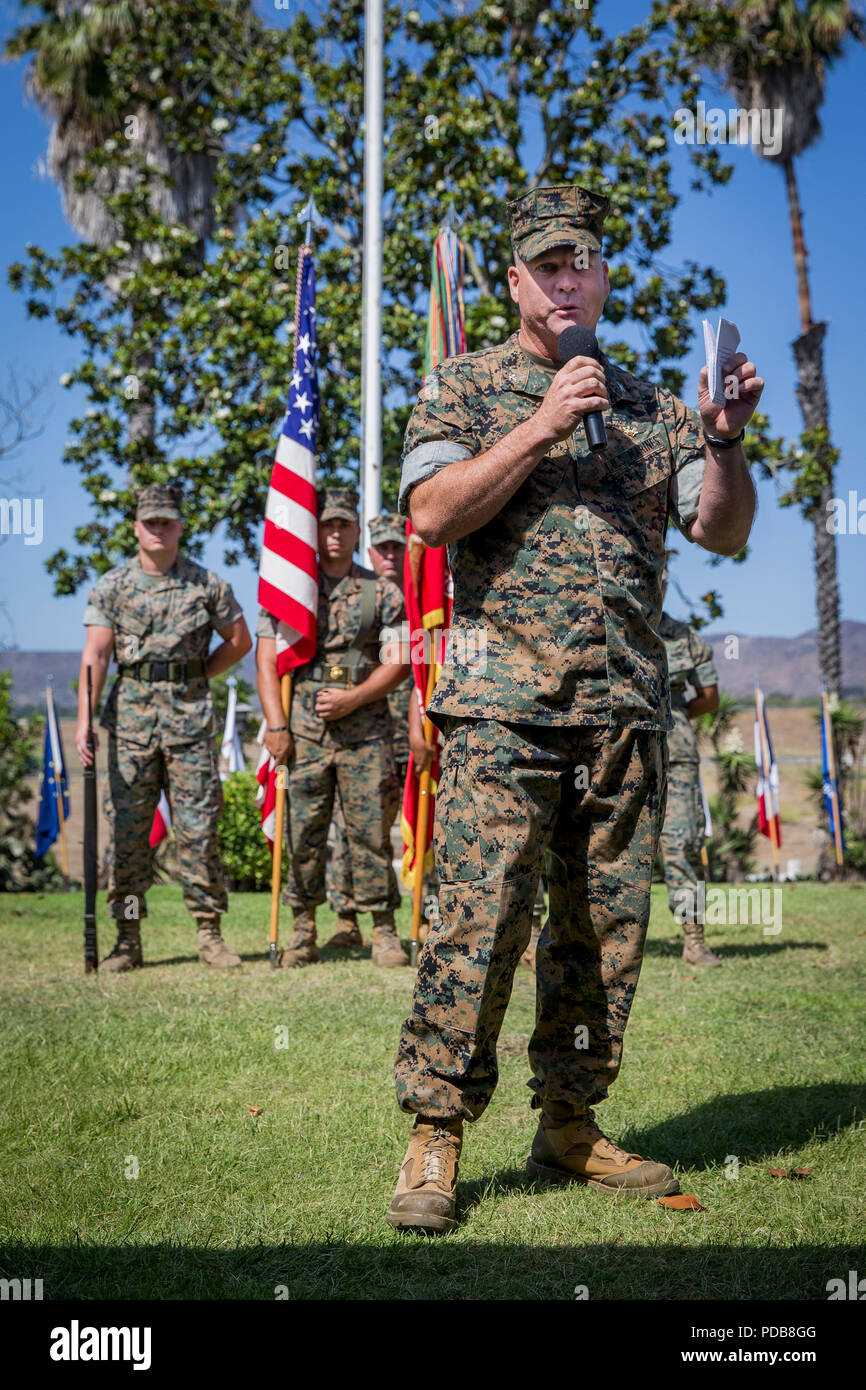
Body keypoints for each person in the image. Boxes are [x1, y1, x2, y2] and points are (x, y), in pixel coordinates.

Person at [386, 183, 762, 1233]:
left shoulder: (653, 405)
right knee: (476, 923)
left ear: (600, 278)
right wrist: (540, 426)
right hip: (499, 710)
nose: (564, 277)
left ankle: (568, 1123)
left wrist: (723, 439)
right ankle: (433, 1135)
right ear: (512, 281)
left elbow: (720, 531)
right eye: (544, 263)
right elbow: (427, 515)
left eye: (581, 262)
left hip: (620, 711)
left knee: (601, 936)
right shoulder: (461, 387)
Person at [75, 484, 252, 971]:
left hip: (190, 721)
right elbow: (96, 655)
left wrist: (197, 674)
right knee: (130, 833)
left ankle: (210, 936)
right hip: (131, 723)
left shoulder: (205, 584)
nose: (158, 529)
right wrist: (85, 720)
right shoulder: (112, 586)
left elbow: (239, 642)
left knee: (198, 830)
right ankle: (127, 939)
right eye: (149, 521)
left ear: (179, 526)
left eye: (166, 521)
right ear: (136, 526)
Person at [256, 487, 411, 968]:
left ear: (355, 530)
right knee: (303, 833)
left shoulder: (382, 592)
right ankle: (302, 929)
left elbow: (401, 658)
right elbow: (266, 661)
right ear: (314, 530)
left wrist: (354, 698)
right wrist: (277, 727)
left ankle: (382, 931)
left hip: (365, 730)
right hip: (301, 733)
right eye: (327, 524)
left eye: (344, 524)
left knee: (368, 832)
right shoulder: (290, 591)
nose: (336, 533)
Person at [325, 512, 410, 946]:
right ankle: (346, 917)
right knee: (353, 823)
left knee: (411, 821)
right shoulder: (358, 597)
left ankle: (425, 908)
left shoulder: (424, 598)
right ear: (370, 550)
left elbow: (423, 669)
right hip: (366, 728)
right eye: (384, 548)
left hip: (412, 732)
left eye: (399, 546)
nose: (391, 555)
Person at [657, 570, 721, 966]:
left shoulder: (685, 638)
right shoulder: (609, 625)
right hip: (615, 752)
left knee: (681, 841)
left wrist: (672, 715)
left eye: (661, 578)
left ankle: (694, 939)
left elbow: (709, 698)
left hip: (676, 756)